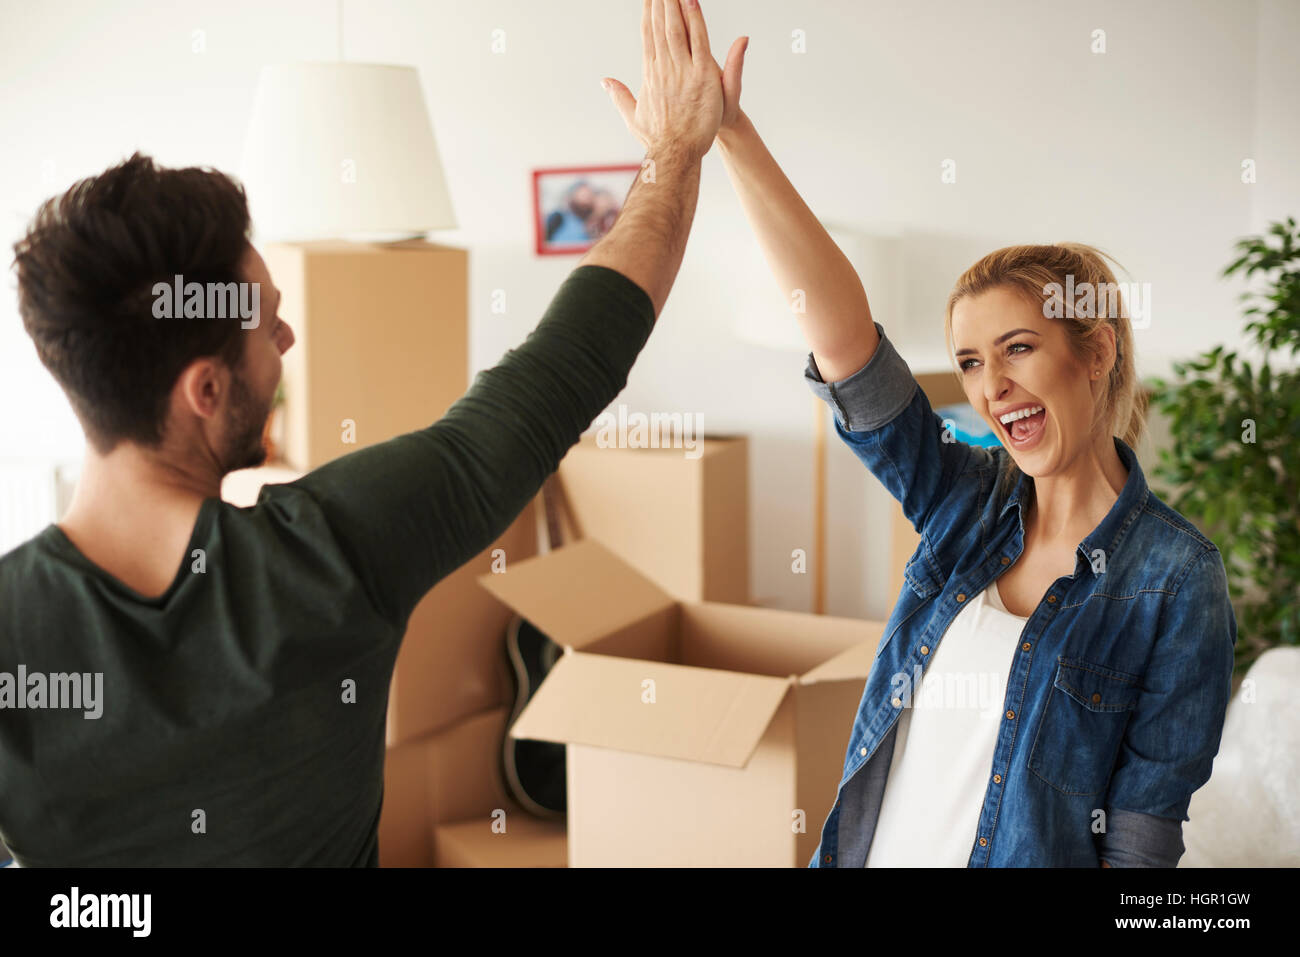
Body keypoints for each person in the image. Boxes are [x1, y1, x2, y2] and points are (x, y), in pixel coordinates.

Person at [0, 0, 731, 866]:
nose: (287, 343)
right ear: (205, 388)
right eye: (267, 326)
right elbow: (568, 364)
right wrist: (676, 153)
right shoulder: (337, 552)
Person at [710, 47, 1236, 866]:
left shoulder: (1176, 578)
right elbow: (847, 343)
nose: (992, 387)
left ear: (1094, 352)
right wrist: (734, 135)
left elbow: (1140, 837)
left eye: (1017, 348)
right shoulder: (965, 498)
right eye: (969, 362)